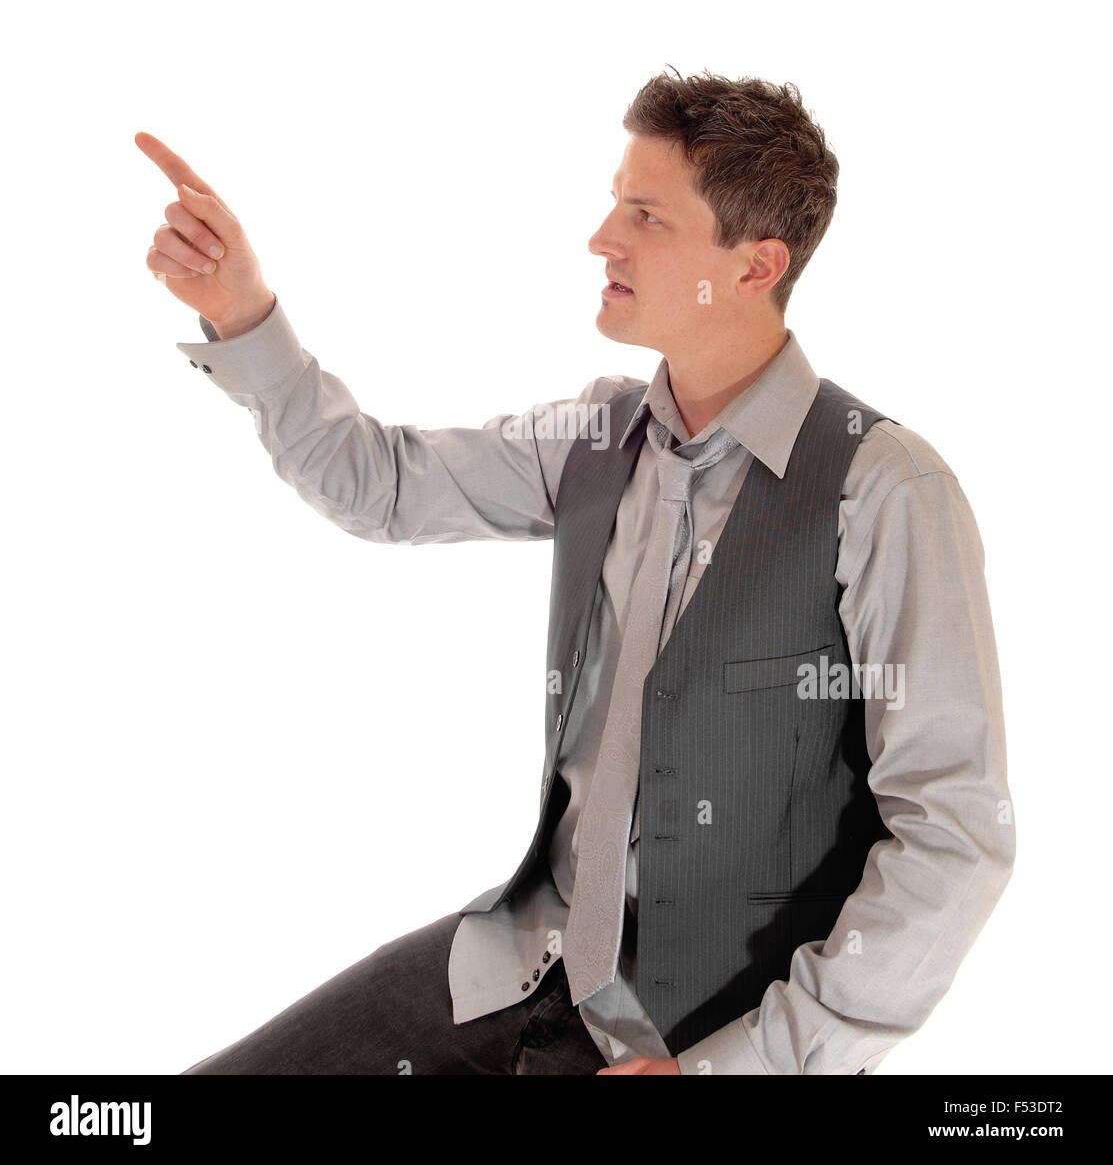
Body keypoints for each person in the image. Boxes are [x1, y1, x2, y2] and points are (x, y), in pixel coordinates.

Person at [137, 67, 1015, 1076]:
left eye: (645, 214)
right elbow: (381, 484)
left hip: (691, 1037)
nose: (604, 237)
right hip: (515, 962)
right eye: (614, 203)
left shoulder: (885, 486)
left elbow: (954, 835)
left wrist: (748, 1067)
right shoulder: (598, 435)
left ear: (753, 264)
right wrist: (244, 312)